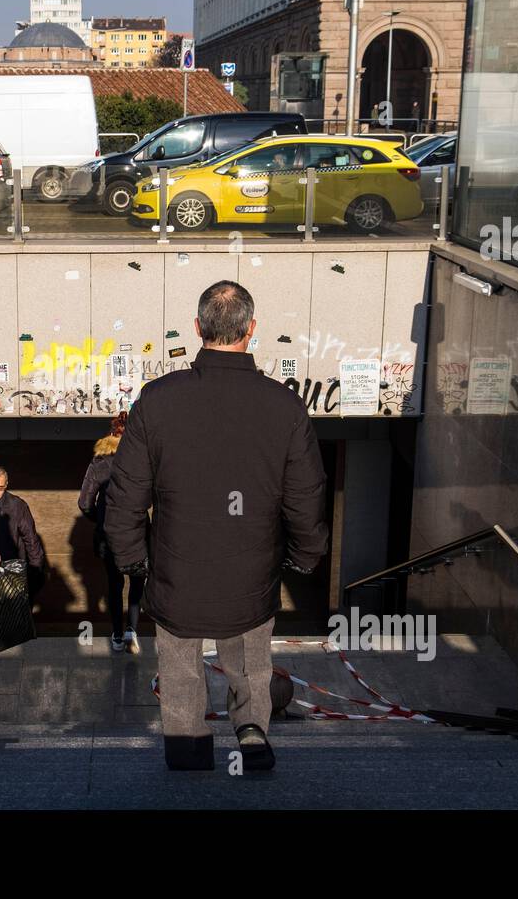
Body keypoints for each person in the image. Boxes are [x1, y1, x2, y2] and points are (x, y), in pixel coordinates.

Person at [104, 280, 329, 772]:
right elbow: (306, 496)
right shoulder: (284, 405)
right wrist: (305, 555)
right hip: (252, 571)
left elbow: (125, 496)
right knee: (250, 660)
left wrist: (131, 560)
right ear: (251, 330)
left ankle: (187, 752)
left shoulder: (156, 400)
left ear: (198, 328)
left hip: (176, 571)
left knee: (181, 668)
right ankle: (250, 732)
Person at [78, 411, 146, 654]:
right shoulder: (142, 460)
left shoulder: (98, 463)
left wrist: (102, 519)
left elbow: (84, 503)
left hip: (109, 536)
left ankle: (116, 635)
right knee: (138, 581)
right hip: (137, 532)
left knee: (114, 584)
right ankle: (132, 629)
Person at [0, 466, 47, 603]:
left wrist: (35, 572)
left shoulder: (17, 506)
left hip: (9, 568)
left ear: (7, 484)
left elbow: (31, 541)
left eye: (1, 487)